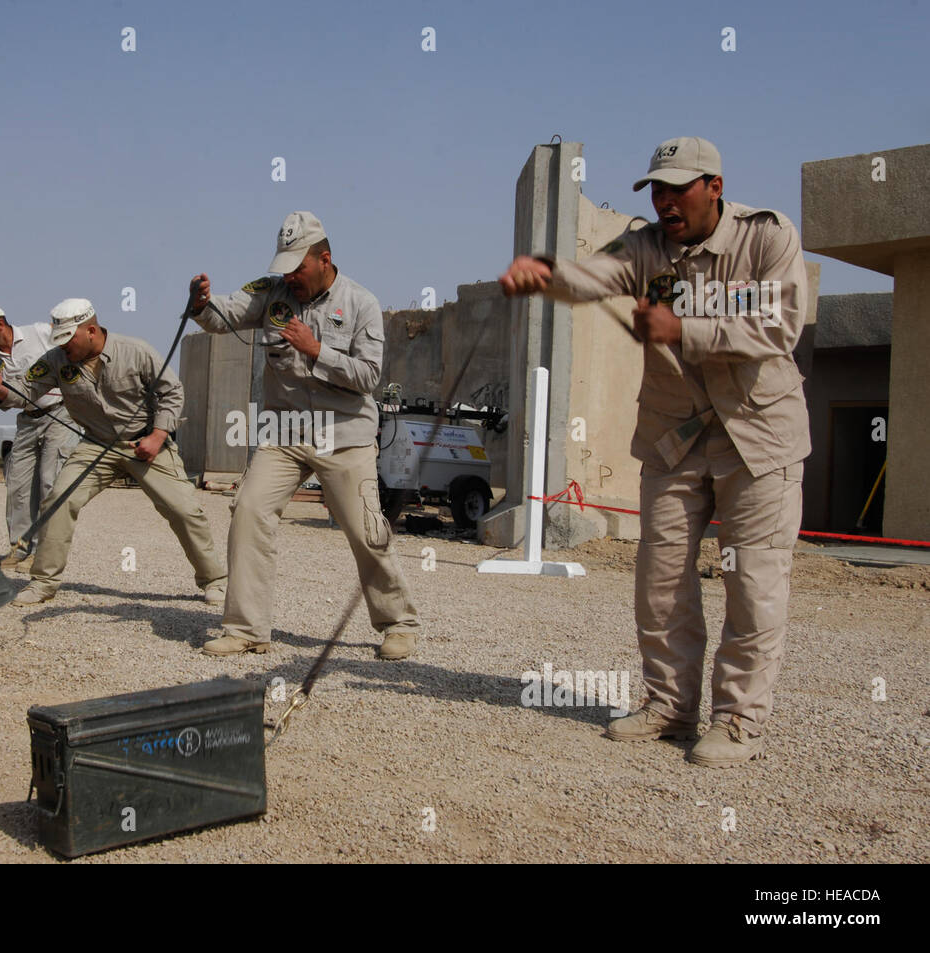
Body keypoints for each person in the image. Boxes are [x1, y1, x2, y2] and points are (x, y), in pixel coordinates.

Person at [498, 137, 809, 767]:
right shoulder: (644, 246)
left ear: (714, 187)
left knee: (751, 579)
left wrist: (682, 328)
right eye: (657, 190)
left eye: (678, 188)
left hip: (759, 436)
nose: (665, 200)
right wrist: (547, 274)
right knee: (661, 578)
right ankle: (670, 706)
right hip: (676, 438)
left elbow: (781, 324)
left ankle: (739, 720)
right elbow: (595, 274)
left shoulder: (767, 237)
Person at [187, 211, 421, 660]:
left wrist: (318, 351)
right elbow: (223, 316)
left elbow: (369, 376)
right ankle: (246, 629)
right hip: (284, 430)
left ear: (325, 259)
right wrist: (200, 304)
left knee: (365, 529)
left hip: (344, 432)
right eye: (285, 267)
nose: (290, 276)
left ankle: (399, 623)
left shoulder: (361, 303)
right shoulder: (272, 293)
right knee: (250, 510)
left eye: (298, 267)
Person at [0, 298, 228, 607]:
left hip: (145, 444)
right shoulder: (56, 359)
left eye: (68, 339)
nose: (62, 347)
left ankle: (214, 581)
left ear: (92, 331)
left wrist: (158, 436)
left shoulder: (136, 351)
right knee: (57, 501)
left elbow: (171, 392)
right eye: (58, 340)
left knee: (184, 509)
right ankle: (43, 582)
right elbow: (25, 392)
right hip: (95, 444)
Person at [0, 303, 80, 572]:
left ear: (0, 323)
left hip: (60, 413)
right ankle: (19, 548)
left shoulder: (40, 332)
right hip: (27, 421)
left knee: (49, 482)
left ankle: (44, 551)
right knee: (17, 485)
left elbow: (71, 350)